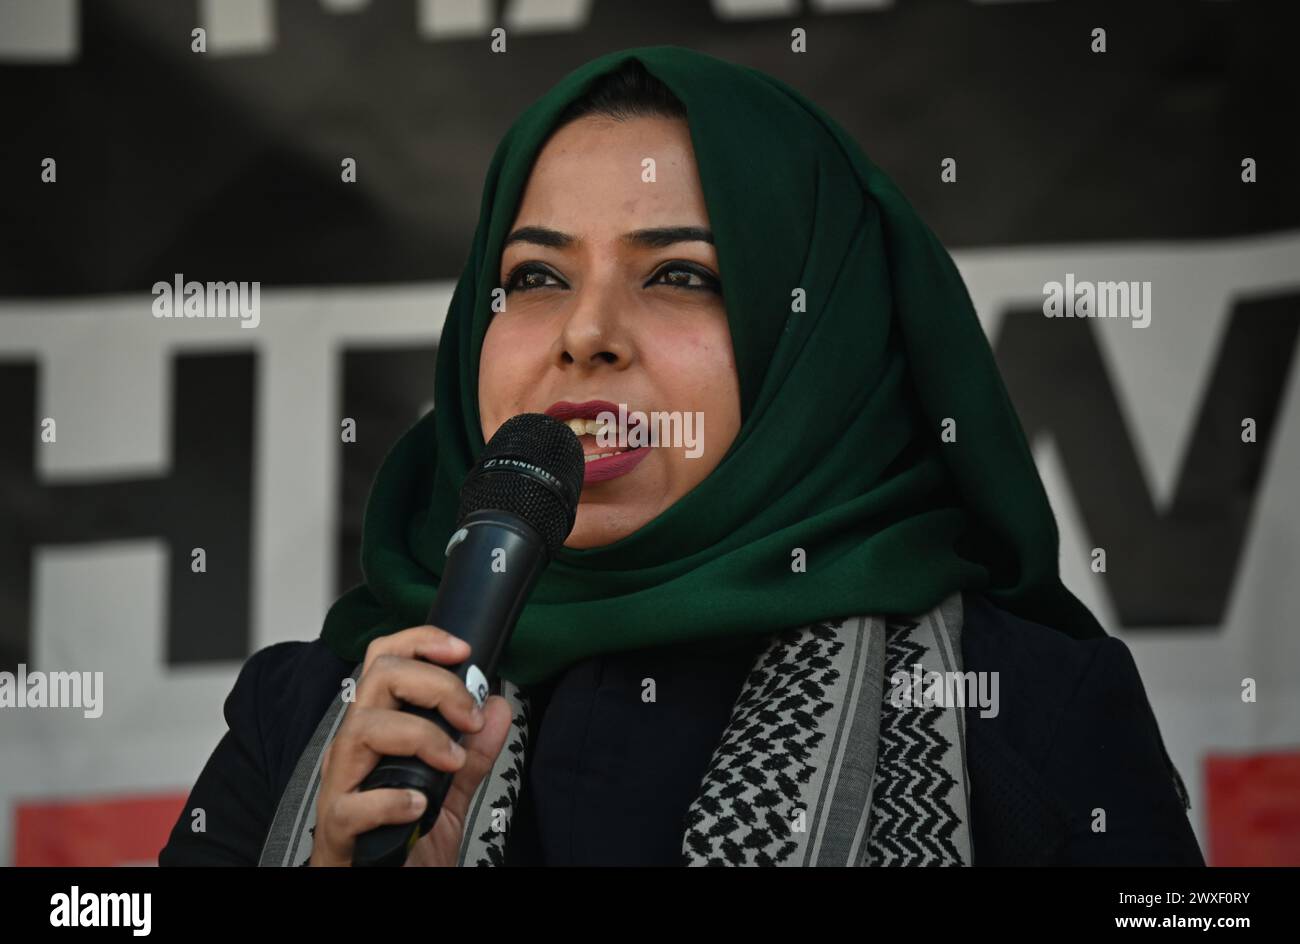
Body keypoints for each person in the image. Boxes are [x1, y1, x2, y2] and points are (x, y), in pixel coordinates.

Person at [159, 46, 1203, 867]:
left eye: (679, 276)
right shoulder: (314, 719)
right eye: (534, 278)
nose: (586, 334)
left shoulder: (1021, 710)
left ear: (816, 344)